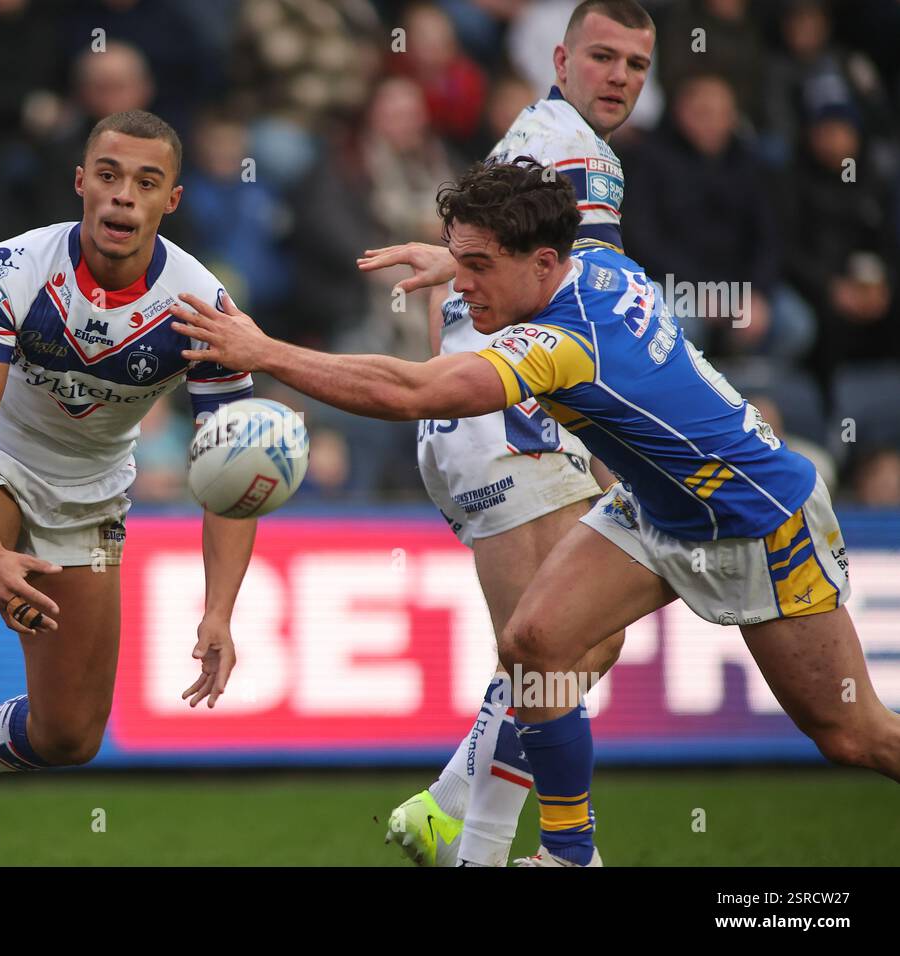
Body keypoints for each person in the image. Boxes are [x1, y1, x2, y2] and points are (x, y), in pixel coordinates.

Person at [171, 159, 900, 868]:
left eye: (478, 266)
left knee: (852, 736)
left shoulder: (559, 344)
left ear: (541, 263)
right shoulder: (593, 262)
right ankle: (570, 854)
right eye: (461, 261)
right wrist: (454, 256)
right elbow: (518, 271)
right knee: (534, 645)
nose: (461, 285)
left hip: (755, 516)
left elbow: (412, 393)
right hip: (657, 500)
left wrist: (264, 350)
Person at [0, 110, 258, 867]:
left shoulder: (204, 309)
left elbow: (230, 473)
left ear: (170, 200)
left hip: (90, 492)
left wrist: (218, 610)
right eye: (107, 175)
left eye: (146, 183)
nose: (121, 198)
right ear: (81, 181)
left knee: (70, 736)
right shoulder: (6, 271)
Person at [352, 0, 654, 866]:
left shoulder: (538, 136)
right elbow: (585, 306)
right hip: (509, 418)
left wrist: (452, 259)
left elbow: (525, 263)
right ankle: (522, 846)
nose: (619, 79)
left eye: (635, 65)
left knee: (571, 646)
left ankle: (456, 812)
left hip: (485, 419)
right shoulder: (575, 151)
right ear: (560, 58)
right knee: (555, 650)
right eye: (603, 57)